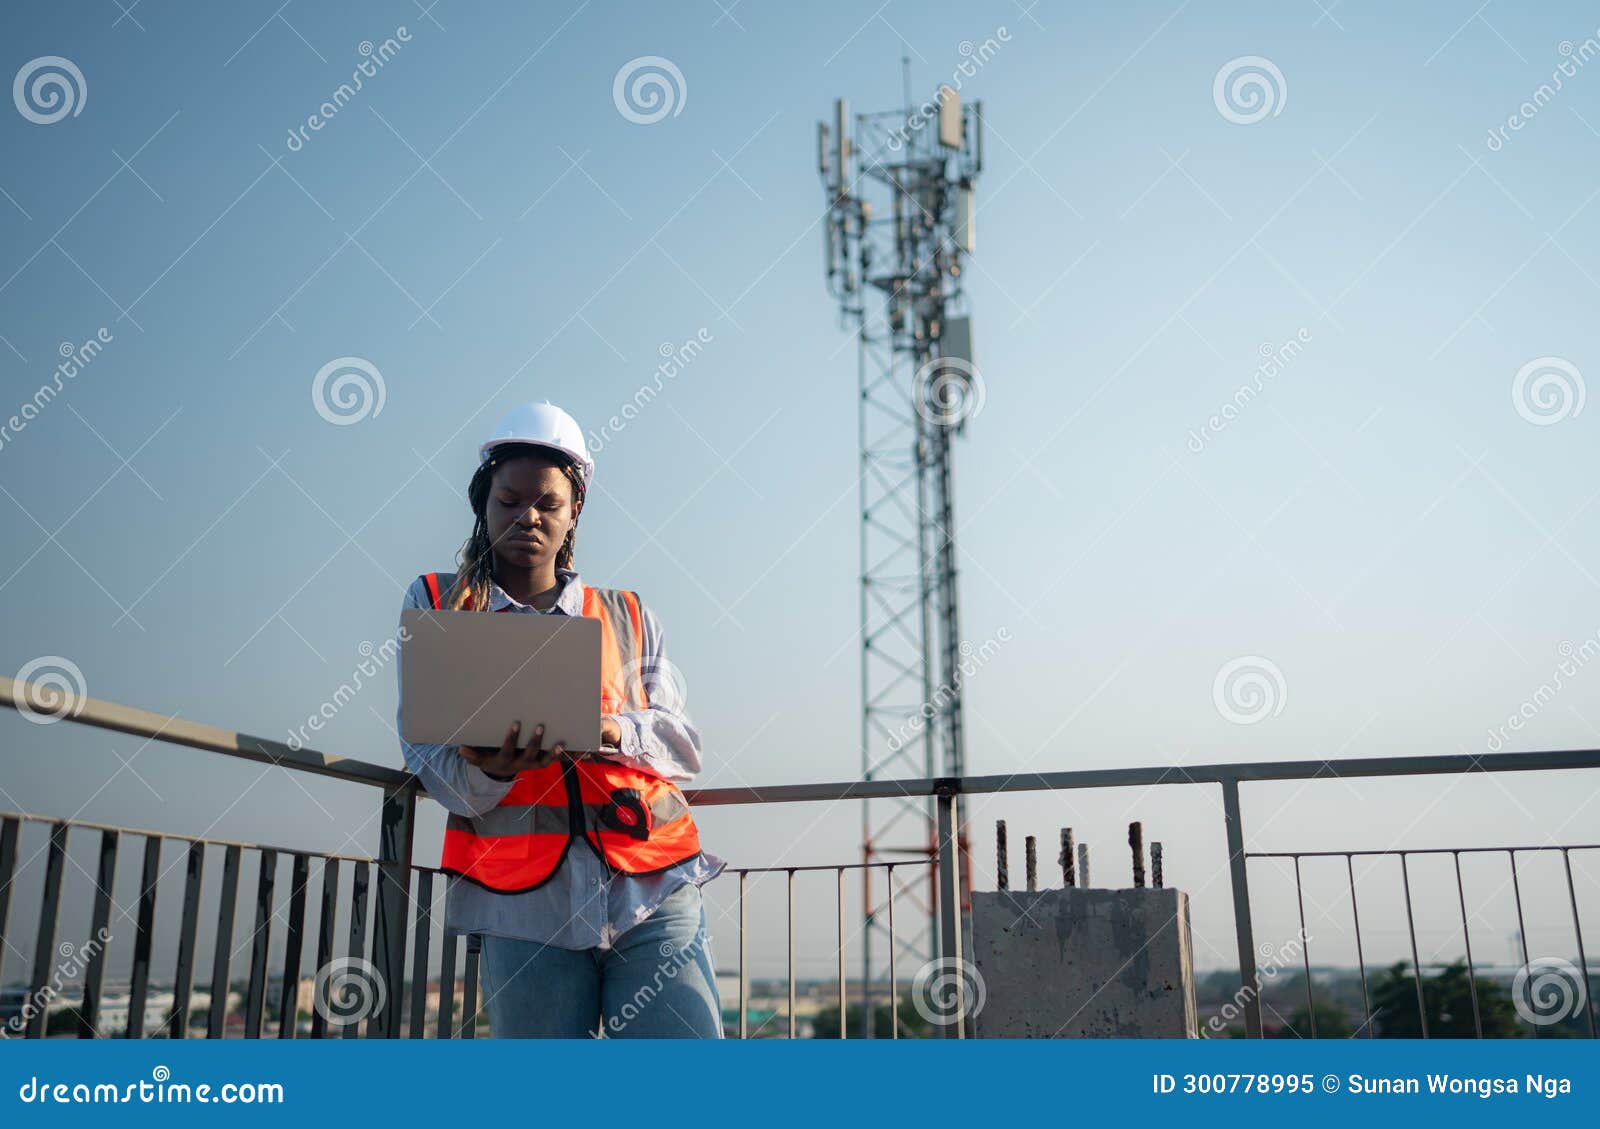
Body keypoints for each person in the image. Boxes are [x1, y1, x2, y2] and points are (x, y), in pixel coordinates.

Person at [395, 400, 726, 1037]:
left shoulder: (628, 613)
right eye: (509, 500)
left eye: (547, 503)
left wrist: (611, 730)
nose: (527, 517)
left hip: (649, 888)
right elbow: (426, 752)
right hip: (523, 905)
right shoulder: (439, 603)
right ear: (482, 505)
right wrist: (488, 774)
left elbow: (683, 748)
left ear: (574, 510)